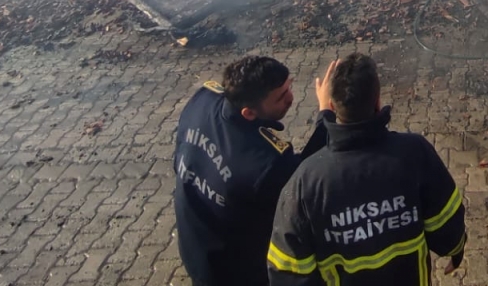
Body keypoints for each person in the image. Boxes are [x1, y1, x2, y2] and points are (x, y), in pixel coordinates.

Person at [268, 54, 466, 285]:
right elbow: (445, 223)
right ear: (377, 101)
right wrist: (455, 248)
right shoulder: (414, 153)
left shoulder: (306, 181)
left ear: (331, 105)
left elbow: (288, 272)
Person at [174, 56, 337, 286]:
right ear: (249, 113)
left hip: (194, 245)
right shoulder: (264, 164)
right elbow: (306, 175)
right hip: (230, 271)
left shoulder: (204, 98)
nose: (291, 98)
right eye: (281, 97)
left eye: (288, 87)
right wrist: (325, 114)